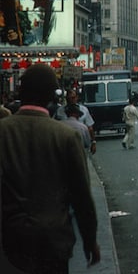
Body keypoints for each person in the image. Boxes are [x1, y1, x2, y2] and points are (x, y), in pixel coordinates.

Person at [0, 63, 101, 272]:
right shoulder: (66, 136)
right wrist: (90, 240)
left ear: (21, 92)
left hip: (11, 240)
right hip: (54, 241)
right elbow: (81, 197)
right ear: (51, 96)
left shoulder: (4, 131)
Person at [56, 88, 97, 154]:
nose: (70, 100)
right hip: (64, 144)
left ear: (77, 97)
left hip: (80, 142)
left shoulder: (84, 110)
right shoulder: (60, 110)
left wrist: (93, 142)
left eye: (73, 98)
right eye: (68, 98)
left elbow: (90, 127)